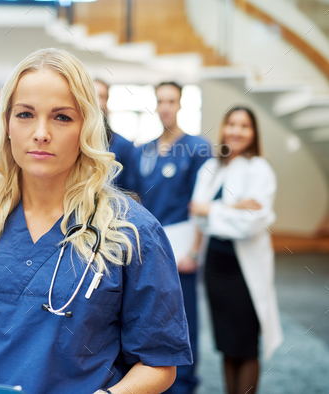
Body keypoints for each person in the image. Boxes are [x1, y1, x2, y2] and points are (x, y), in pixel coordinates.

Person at [0, 48, 192, 394]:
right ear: (6, 124)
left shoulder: (133, 231)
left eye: (62, 117)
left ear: (86, 128)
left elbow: (159, 364)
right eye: (25, 114)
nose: (41, 133)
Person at [189, 107, 283, 394]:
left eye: (244, 126)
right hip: (217, 267)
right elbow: (196, 213)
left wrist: (213, 210)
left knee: (246, 345)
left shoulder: (259, 169)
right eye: (231, 124)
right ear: (223, 128)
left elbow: (251, 225)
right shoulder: (212, 167)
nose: (237, 131)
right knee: (227, 344)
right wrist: (234, 207)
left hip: (245, 270)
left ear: (253, 133)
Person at [126, 82, 211, 394]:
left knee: (183, 316)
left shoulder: (198, 148)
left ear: (180, 105)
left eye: (171, 101)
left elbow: (201, 205)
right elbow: (136, 197)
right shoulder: (143, 150)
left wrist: (195, 252)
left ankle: (185, 383)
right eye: (160, 101)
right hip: (149, 246)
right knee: (150, 312)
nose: (165, 107)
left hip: (183, 246)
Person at [94, 79, 134, 190]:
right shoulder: (73, 141)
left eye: (101, 97)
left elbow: (131, 191)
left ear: (107, 101)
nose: (96, 102)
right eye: (92, 96)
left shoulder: (124, 146)